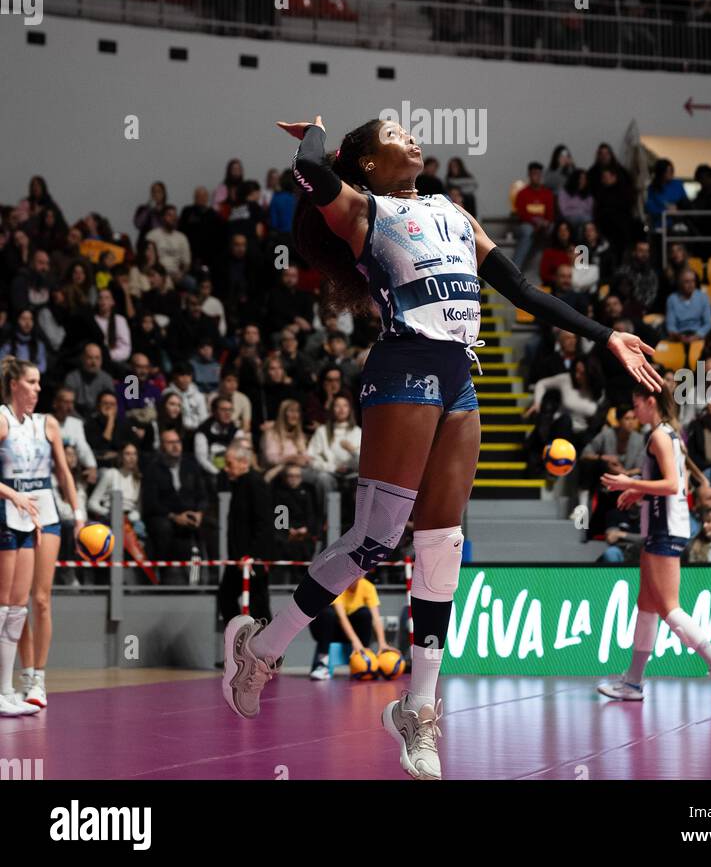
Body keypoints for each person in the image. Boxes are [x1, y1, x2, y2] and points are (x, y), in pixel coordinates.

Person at [222, 112, 659, 780]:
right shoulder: (362, 209)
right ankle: (263, 646)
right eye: (397, 132)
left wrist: (607, 336)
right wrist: (316, 131)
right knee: (375, 540)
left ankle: (418, 708)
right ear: (367, 161)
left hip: (460, 374)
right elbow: (309, 172)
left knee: (442, 545)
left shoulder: (454, 213)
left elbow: (523, 290)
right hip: (404, 366)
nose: (414, 138)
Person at [598, 383, 711, 702]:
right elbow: (678, 482)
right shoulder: (671, 434)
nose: (634, 411)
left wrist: (629, 482)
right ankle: (633, 681)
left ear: (651, 401)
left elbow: (672, 484)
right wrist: (640, 491)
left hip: (664, 528)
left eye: (637, 404)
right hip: (666, 526)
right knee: (646, 606)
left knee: (668, 608)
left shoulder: (660, 436)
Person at [0, 356, 83, 713]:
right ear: (14, 384)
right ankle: (19, 676)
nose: (37, 389)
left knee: (41, 599)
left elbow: (64, 473)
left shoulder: (48, 424)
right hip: (12, 509)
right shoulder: (2, 419)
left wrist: (78, 516)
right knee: (14, 602)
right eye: (31, 382)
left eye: (39, 383)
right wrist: (12, 494)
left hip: (46, 510)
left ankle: (37, 680)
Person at [217, 443, 273, 625]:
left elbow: (264, 523)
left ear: (243, 462)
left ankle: (267, 650)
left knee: (259, 605)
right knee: (226, 598)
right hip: (238, 559)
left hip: (251, 558)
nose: (226, 469)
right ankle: (238, 639)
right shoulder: (239, 485)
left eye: (229, 463)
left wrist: (253, 556)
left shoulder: (255, 483)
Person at [308, 574, 397, 682]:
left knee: (364, 613)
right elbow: (342, 617)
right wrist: (355, 642)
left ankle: (365, 660)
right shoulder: (337, 586)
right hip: (327, 630)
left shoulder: (368, 587)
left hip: (347, 632)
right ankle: (322, 664)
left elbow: (376, 618)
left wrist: (382, 643)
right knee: (328, 613)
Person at [141, 427, 208, 566]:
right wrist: (174, 516)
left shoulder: (191, 466)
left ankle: (212, 574)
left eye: (178, 442)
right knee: (163, 528)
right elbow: (151, 503)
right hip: (165, 515)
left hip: (190, 513)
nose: (175, 446)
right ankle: (165, 573)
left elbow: (202, 494)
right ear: (162, 446)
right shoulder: (153, 469)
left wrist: (199, 513)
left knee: (211, 526)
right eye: (170, 442)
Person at [512, 162, 556, 271]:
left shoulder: (547, 194)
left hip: (543, 226)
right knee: (528, 230)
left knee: (554, 229)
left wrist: (544, 223)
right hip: (526, 226)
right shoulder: (522, 193)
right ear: (529, 175)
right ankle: (515, 268)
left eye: (539, 174)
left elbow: (550, 214)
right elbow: (521, 214)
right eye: (534, 174)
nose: (536, 176)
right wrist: (536, 223)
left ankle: (553, 268)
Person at [665, 268, 711, 344]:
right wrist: (678, 336)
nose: (690, 285)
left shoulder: (703, 297)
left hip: (698, 335)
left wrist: (697, 336)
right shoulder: (672, 299)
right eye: (687, 282)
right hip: (679, 336)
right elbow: (671, 325)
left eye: (693, 281)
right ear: (680, 283)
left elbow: (708, 323)